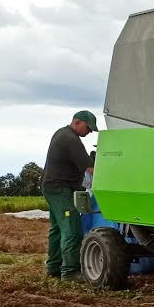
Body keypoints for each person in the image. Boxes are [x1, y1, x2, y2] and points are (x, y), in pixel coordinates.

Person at [42, 111, 98, 281]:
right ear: (78, 122)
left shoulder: (62, 133)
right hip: (60, 189)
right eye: (88, 128)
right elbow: (91, 169)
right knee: (72, 228)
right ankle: (70, 271)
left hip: (52, 187)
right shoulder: (70, 139)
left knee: (58, 229)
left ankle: (54, 267)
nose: (89, 132)